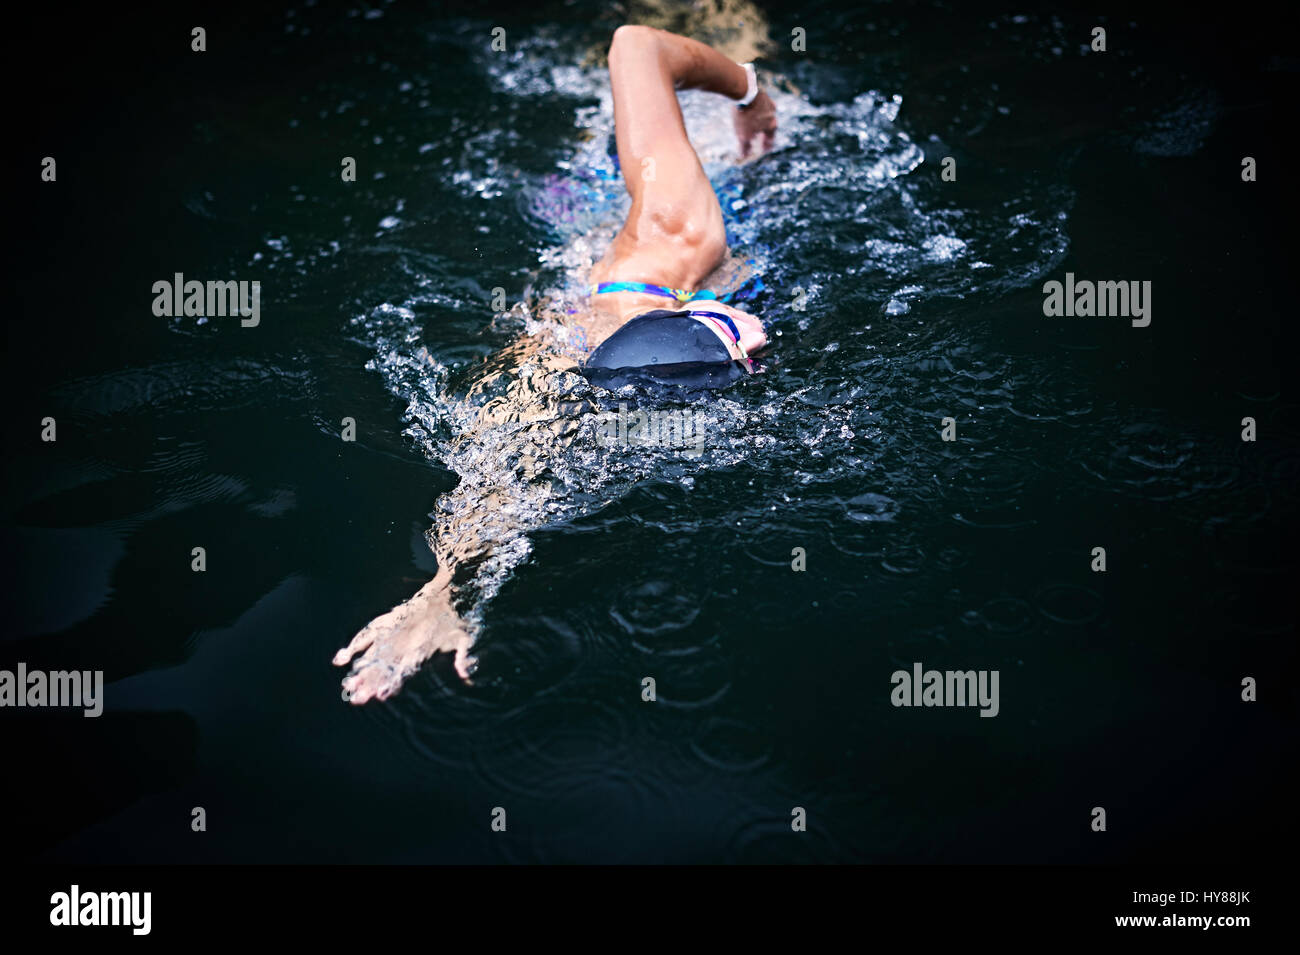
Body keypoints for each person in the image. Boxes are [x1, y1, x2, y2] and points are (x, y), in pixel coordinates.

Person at [334, 25, 778, 703]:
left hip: (603, 217)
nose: (760, 335)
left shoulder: (602, 338)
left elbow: (500, 476)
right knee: (732, 31)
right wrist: (442, 589)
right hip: (636, 203)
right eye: (745, 341)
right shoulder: (679, 229)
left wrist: (748, 91)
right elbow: (633, 42)